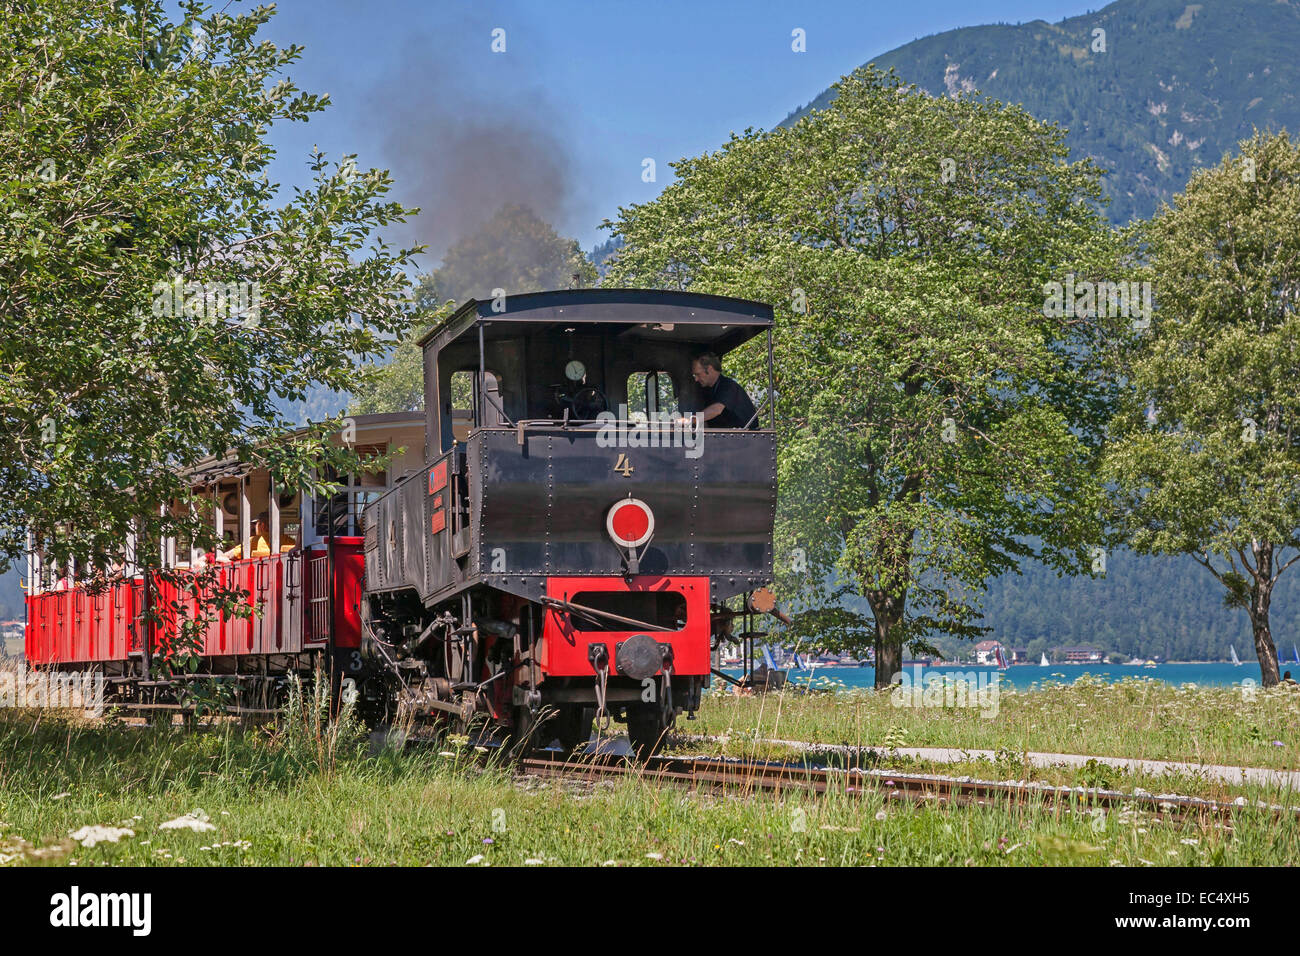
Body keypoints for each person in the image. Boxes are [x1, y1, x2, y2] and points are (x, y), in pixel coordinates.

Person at [686, 352, 759, 428]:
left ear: (709, 369)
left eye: (698, 374)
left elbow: (716, 410)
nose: (696, 379)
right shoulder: (705, 391)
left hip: (744, 436)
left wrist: (690, 420)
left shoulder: (728, 385)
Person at [222, 514, 296, 560]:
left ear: (262, 525)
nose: (254, 527)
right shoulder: (287, 539)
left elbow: (227, 556)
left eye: (256, 524)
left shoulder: (253, 541)